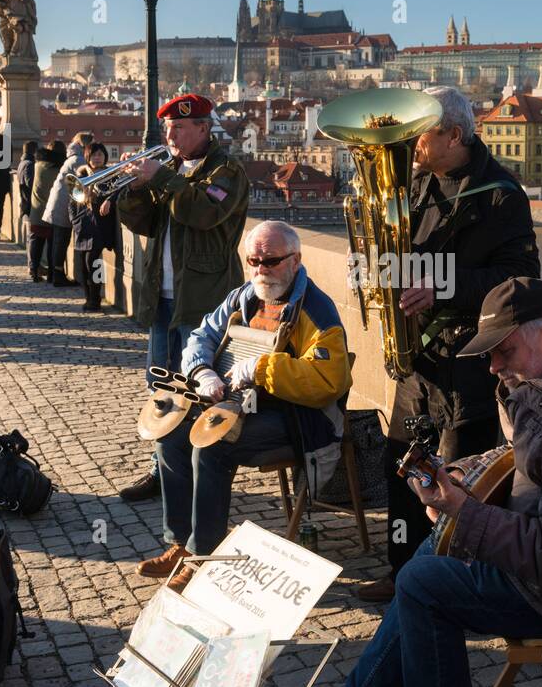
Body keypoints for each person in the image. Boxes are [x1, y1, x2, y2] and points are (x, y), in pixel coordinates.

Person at [331, 278, 542, 687]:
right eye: (489, 353)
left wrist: (462, 509)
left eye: (504, 350)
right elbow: (520, 453)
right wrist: (464, 472)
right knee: (429, 555)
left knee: (424, 583)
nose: (493, 366)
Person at [356, 86, 541, 603]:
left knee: (458, 475)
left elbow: (522, 277)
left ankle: (457, 582)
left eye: (421, 133)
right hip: (418, 355)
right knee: (403, 462)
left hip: (468, 357)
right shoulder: (415, 181)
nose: (411, 142)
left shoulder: (502, 194)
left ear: (453, 135)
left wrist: (443, 282)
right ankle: (403, 573)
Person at [136, 221, 350, 590]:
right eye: (253, 261)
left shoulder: (317, 310)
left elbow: (328, 382)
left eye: (271, 261)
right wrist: (203, 372)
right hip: (238, 407)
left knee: (211, 447)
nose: (260, 270)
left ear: (296, 260)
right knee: (171, 435)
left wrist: (262, 367)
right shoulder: (241, 297)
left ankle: (203, 555)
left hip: (297, 418)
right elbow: (202, 336)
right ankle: (179, 544)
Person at [115, 94, 250, 503]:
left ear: (204, 129)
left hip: (205, 300)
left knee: (200, 387)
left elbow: (204, 213)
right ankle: (163, 471)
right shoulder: (170, 169)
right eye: (167, 128)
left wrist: (161, 178)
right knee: (161, 388)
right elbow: (144, 223)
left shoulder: (227, 172)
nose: (170, 135)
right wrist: (136, 189)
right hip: (162, 296)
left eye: (178, 128)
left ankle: (199, 469)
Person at [69, 141, 117, 312]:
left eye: (100, 154)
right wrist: (74, 221)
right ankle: (88, 298)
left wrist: (110, 200)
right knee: (83, 265)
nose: (97, 158)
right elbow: (72, 202)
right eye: (94, 155)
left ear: (105, 157)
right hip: (83, 225)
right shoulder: (80, 176)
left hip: (99, 226)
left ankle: (96, 299)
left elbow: (118, 192)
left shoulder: (111, 175)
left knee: (94, 263)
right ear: (88, 157)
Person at [41, 131, 91, 288]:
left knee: (57, 241)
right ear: (86, 144)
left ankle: (54, 274)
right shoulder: (79, 159)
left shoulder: (72, 156)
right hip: (62, 206)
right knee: (60, 241)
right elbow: (88, 178)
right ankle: (58, 275)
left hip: (56, 204)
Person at [28, 140, 64, 283]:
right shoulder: (60, 169)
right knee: (52, 244)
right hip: (52, 212)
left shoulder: (37, 165)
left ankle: (35, 271)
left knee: (37, 243)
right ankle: (51, 274)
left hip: (36, 212)